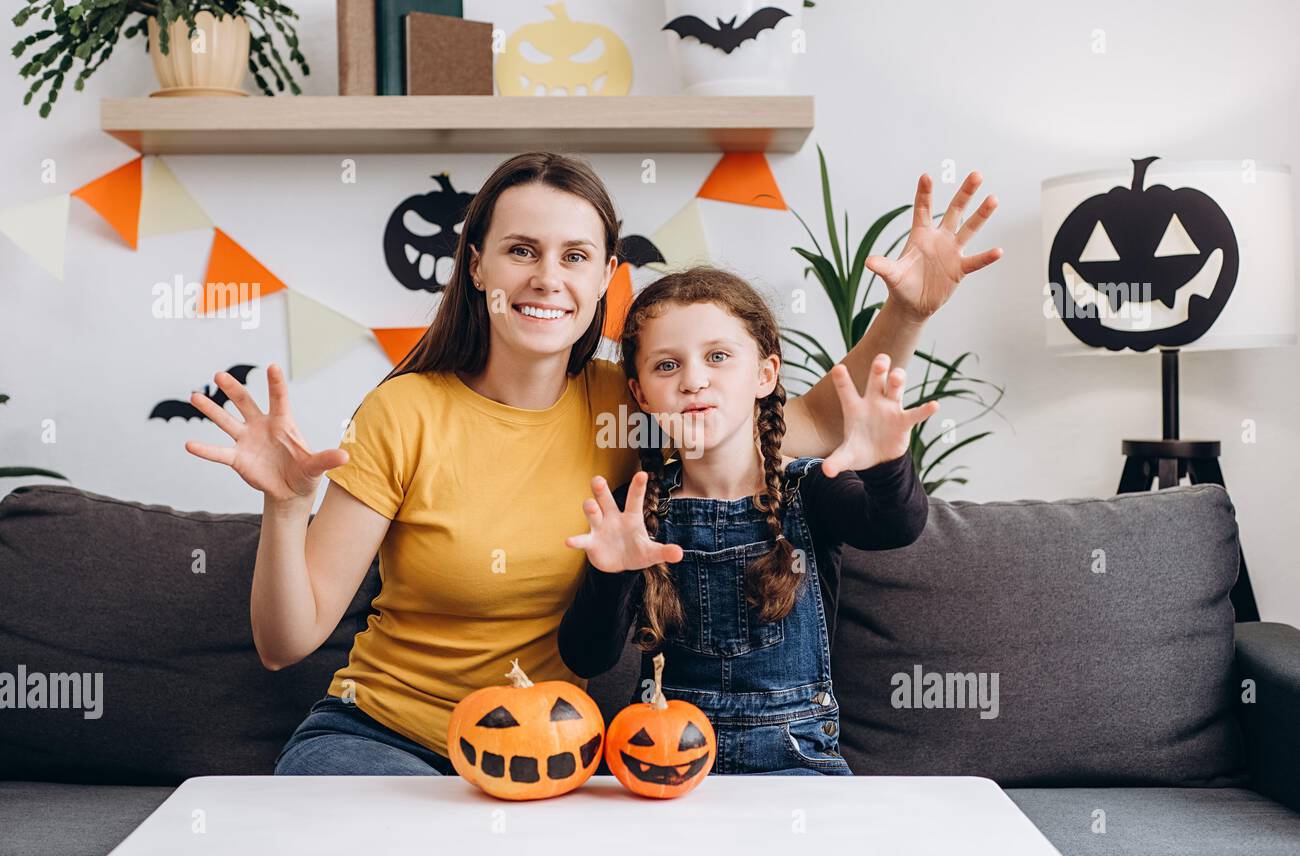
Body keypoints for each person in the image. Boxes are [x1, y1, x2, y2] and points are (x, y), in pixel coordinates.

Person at [182, 151, 1001, 775]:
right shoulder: (406, 411)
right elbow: (286, 643)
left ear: (606, 276)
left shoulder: (636, 402)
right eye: (521, 251)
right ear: (476, 266)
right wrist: (287, 510)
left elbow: (819, 413)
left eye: (576, 256)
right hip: (383, 739)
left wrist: (906, 310)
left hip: (543, 751)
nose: (547, 277)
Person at [557, 267, 932, 775]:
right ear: (641, 394)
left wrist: (888, 465)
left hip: (797, 764)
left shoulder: (810, 490)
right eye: (667, 365)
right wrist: (611, 573)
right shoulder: (637, 508)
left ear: (765, 374)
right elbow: (586, 658)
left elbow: (893, 527)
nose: (693, 380)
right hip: (667, 766)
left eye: (717, 357)